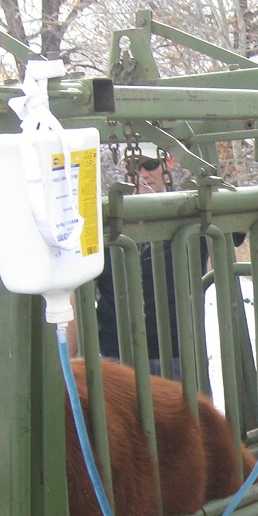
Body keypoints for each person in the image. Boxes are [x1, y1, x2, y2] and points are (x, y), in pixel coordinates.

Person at [96, 154, 204, 377]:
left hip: (180, 355)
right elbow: (82, 292)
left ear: (169, 162)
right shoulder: (106, 220)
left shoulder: (194, 211)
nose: (143, 174)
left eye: (150, 165)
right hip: (118, 358)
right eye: (134, 166)